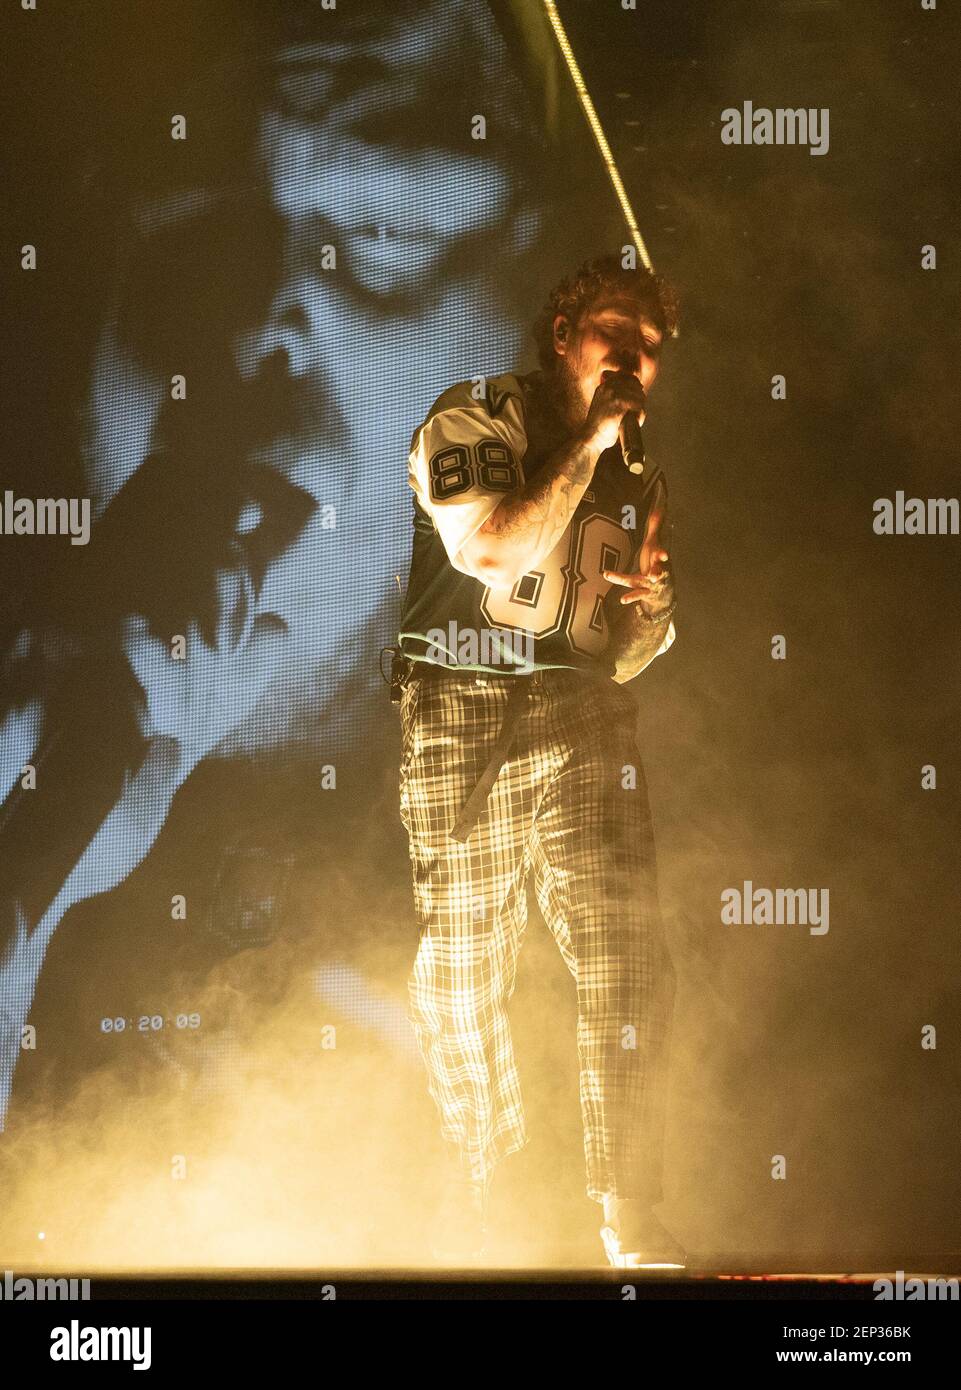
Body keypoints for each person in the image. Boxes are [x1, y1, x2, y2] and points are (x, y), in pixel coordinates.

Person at [394, 252, 686, 1268]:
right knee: (463, 973)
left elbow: (628, 650)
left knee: (627, 955)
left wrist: (649, 612)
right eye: (616, 330)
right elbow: (490, 553)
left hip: (580, 712)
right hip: (461, 702)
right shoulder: (474, 419)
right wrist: (590, 442)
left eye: (651, 347)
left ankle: (629, 1210)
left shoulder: (639, 475)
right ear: (564, 333)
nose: (633, 357)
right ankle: (486, 1178)